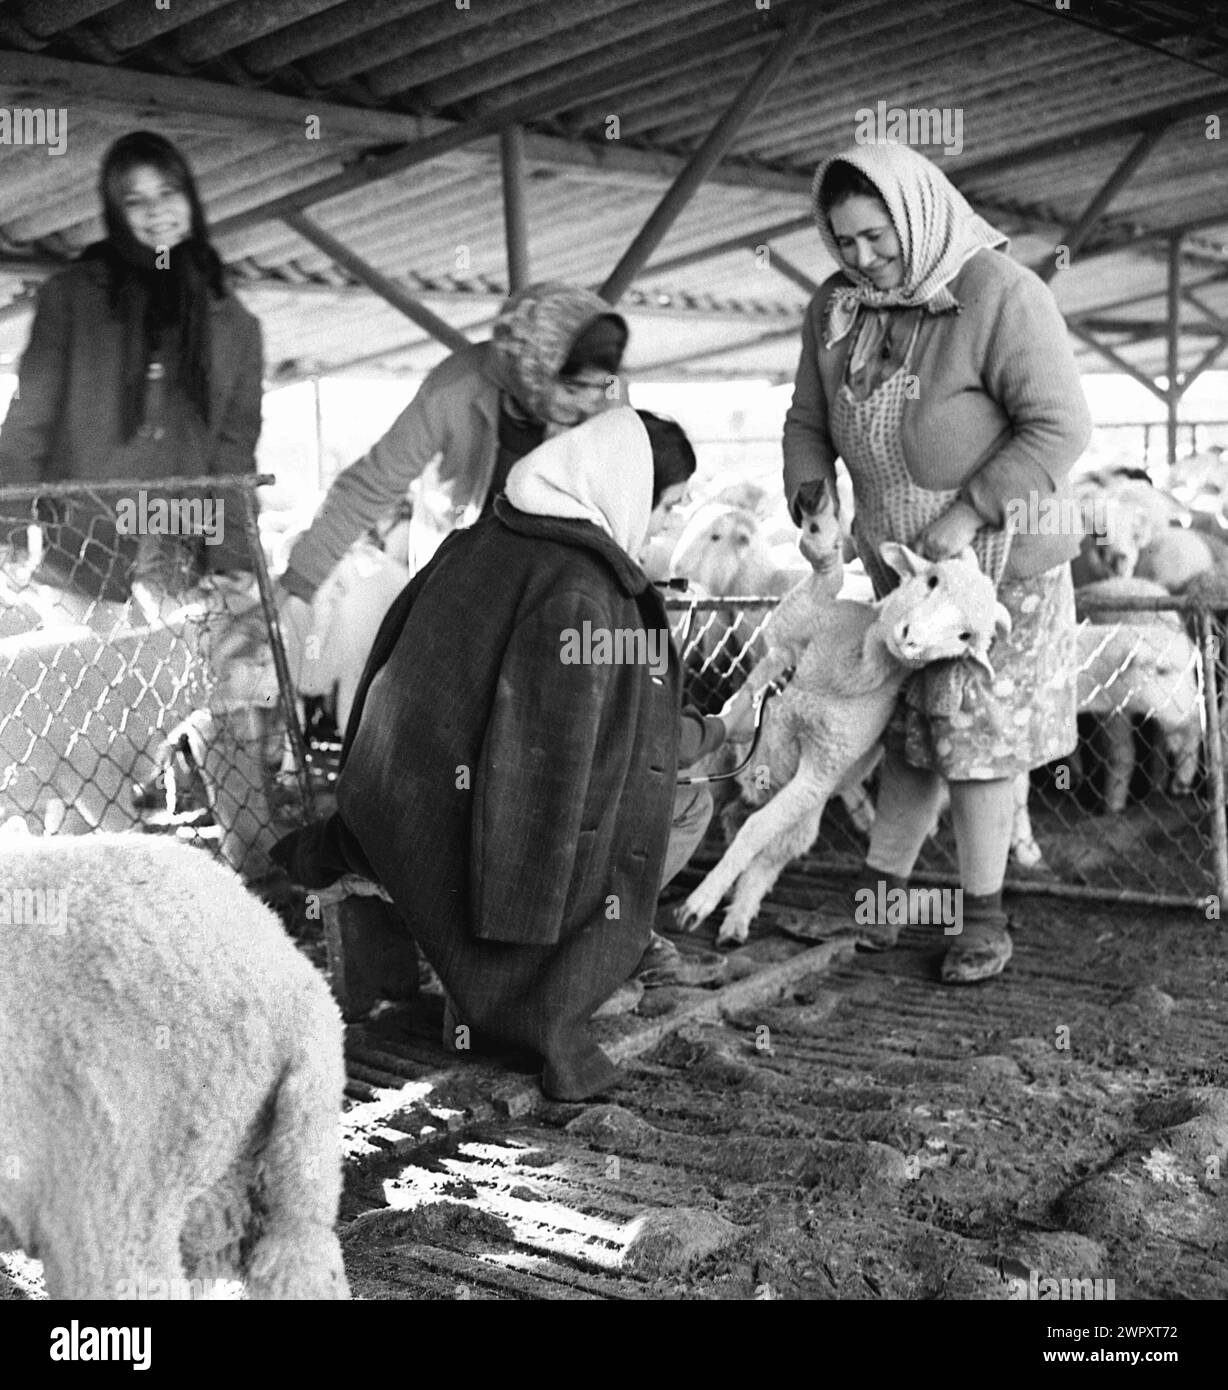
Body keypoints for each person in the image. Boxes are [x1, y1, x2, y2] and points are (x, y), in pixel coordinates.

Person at [274, 407, 754, 1100]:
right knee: (681, 802)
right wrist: (713, 732)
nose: (668, 528)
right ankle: (537, 974)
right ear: (625, 489)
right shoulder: (585, 588)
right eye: (669, 508)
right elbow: (579, 758)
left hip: (387, 802)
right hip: (455, 831)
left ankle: (481, 954)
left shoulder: (489, 537)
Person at [783, 142, 1092, 984]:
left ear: (916, 213)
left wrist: (967, 512)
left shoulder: (999, 293)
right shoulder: (837, 307)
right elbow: (807, 421)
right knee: (913, 735)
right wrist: (815, 506)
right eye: (841, 241)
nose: (861, 258)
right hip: (902, 573)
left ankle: (983, 920)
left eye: (876, 237)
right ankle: (882, 904)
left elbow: (1060, 427)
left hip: (998, 567)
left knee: (977, 742)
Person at [277, 281, 630, 671]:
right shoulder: (454, 389)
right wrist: (299, 582)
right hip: (459, 578)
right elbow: (372, 485)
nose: (589, 402)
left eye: (599, 387)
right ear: (534, 366)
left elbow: (620, 498)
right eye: (575, 387)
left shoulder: (607, 400)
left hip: (557, 583)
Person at [0, 129, 263, 601]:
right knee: (84, 672)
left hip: (179, 557)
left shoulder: (234, 324)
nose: (156, 211)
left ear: (191, 201)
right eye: (135, 201)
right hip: (81, 553)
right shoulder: (74, 297)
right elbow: (28, 422)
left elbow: (233, 454)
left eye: (168, 193)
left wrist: (232, 557)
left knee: (179, 672)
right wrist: (6, 533)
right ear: (116, 213)